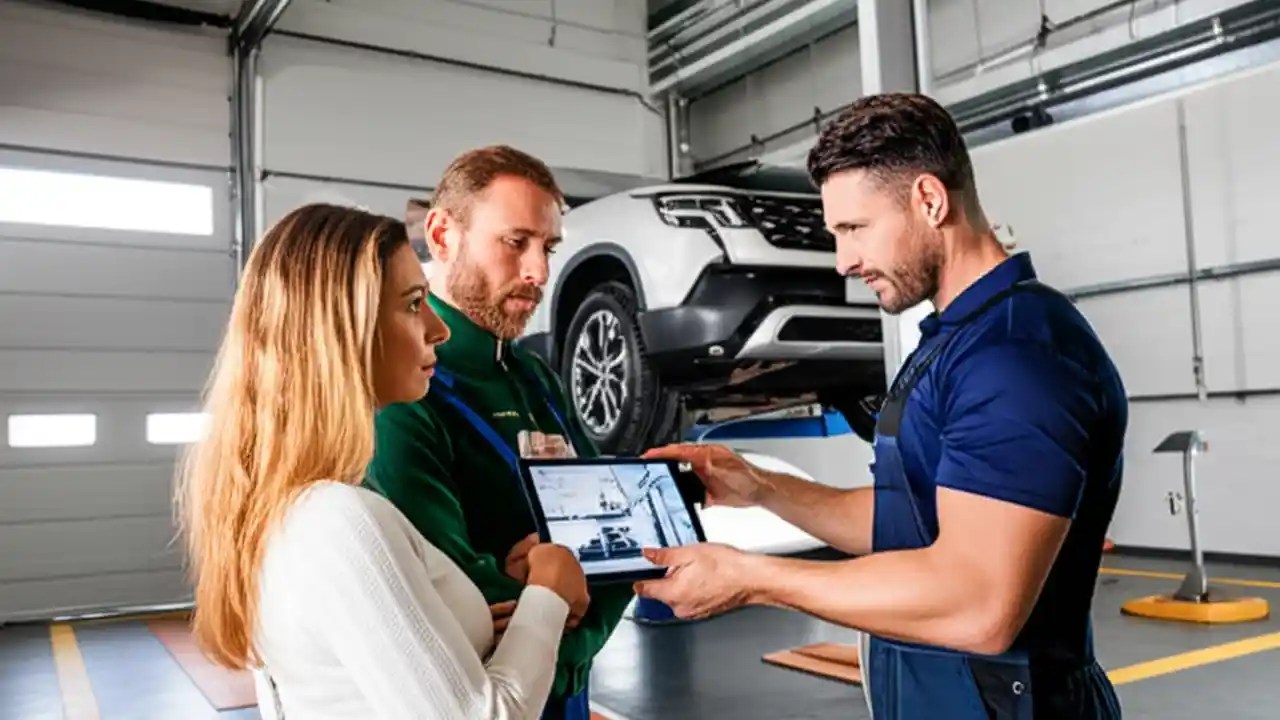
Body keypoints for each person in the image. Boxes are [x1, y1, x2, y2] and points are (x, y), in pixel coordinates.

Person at [635, 93, 1127, 719]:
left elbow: (977, 605)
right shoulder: (956, 338)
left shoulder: (1016, 353)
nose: (844, 261)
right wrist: (758, 485)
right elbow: (906, 519)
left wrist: (751, 578)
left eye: (854, 229)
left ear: (929, 200)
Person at [175, 203, 591, 719]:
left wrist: (476, 598)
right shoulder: (336, 520)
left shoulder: (302, 510)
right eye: (415, 302)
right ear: (342, 328)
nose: (438, 328)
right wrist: (550, 589)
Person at [367, 146, 633, 720]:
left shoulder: (537, 378)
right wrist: (563, 592)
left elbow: (619, 546)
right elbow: (453, 603)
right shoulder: (401, 390)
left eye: (548, 248)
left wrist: (558, 609)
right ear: (442, 234)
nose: (538, 271)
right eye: (515, 243)